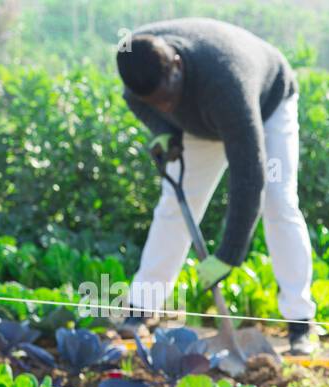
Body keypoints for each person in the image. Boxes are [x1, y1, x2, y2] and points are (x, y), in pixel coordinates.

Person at [115, 17, 318, 355]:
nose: (165, 107)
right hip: (199, 123)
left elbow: (250, 175)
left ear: (177, 65)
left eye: (167, 98)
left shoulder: (227, 82)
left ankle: (300, 322)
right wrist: (163, 129)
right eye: (156, 103)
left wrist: (228, 256)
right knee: (174, 206)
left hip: (266, 105)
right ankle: (141, 308)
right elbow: (138, 100)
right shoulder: (138, 62)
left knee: (279, 202)